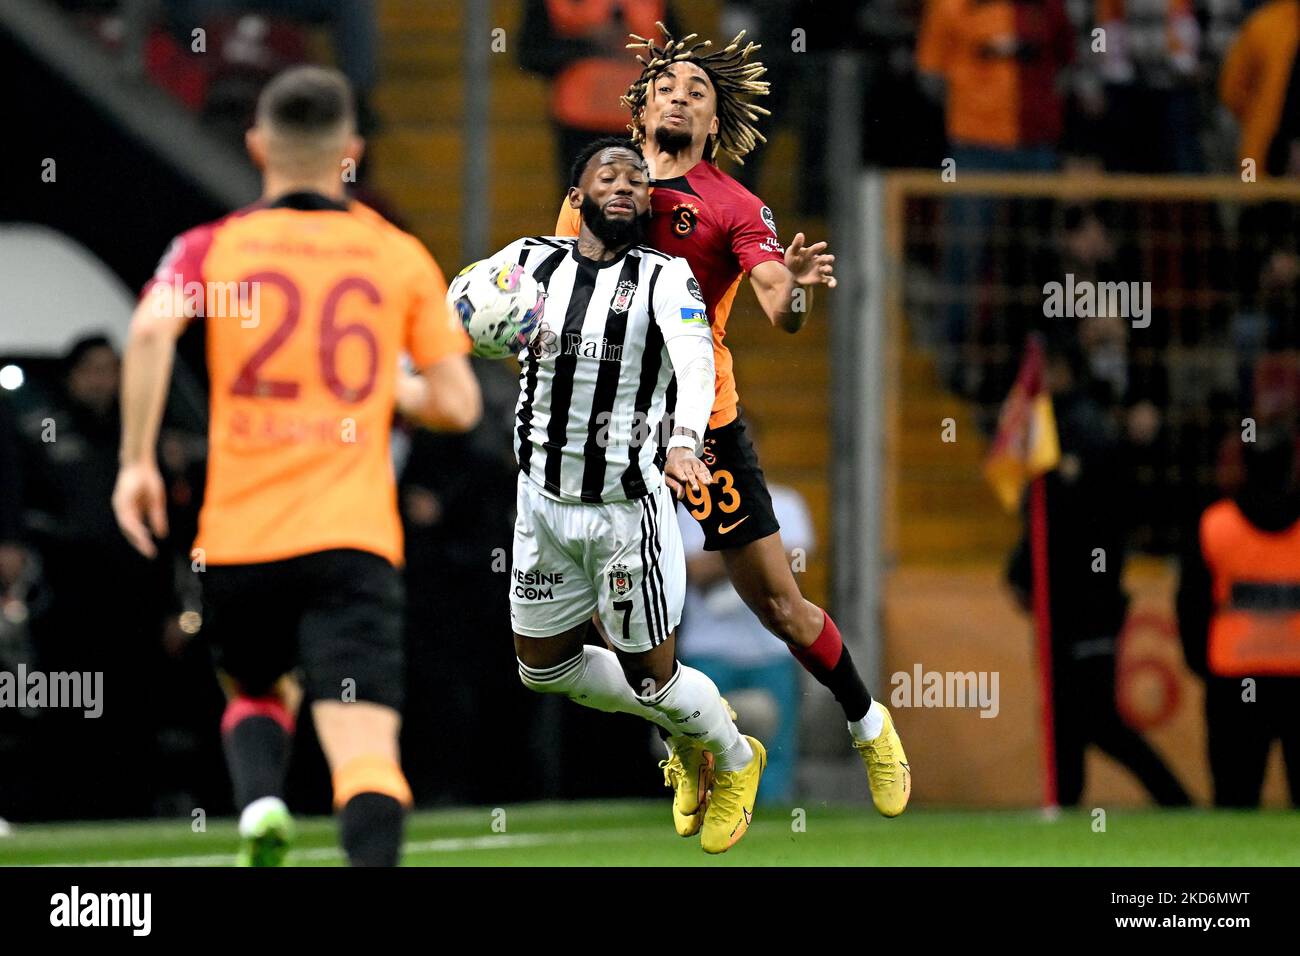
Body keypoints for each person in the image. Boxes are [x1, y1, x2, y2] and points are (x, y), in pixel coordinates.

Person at [112, 65, 481, 866]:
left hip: (240, 539)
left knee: (252, 686)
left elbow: (146, 334)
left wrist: (136, 462)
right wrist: (390, 385)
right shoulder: (398, 254)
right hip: (352, 540)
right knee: (365, 750)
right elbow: (459, 405)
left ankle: (262, 804)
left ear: (256, 147)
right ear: (350, 151)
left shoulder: (213, 245)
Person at [553, 24, 910, 819]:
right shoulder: (597, 187)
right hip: (616, 429)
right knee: (619, 620)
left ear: (714, 125)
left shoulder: (734, 205)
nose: (681, 96)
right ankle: (702, 753)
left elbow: (778, 301)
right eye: (669, 86)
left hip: (704, 425)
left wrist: (800, 287)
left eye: (699, 93)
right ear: (640, 105)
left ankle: (867, 721)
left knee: (779, 606)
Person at [503, 137, 764, 854]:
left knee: (653, 676)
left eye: (637, 179)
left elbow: (691, 361)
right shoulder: (528, 262)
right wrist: (473, 322)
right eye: (607, 173)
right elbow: (463, 300)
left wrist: (684, 440)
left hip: (624, 511)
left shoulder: (664, 279)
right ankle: (688, 730)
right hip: (540, 504)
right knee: (540, 669)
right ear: (577, 192)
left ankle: (735, 758)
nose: (624, 184)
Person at [1006, 336, 1190, 807]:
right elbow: (1041, 515)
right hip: (1066, 597)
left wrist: (1032, 570)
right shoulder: (1052, 428)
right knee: (1065, 711)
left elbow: (1084, 521)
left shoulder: (1085, 431)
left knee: (1095, 716)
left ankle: (1173, 799)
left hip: (1087, 600)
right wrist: (1028, 570)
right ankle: (1064, 804)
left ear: (1062, 369)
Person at [1177, 428, 1300, 806]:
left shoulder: (1215, 524)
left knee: (1234, 798)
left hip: (1235, 678)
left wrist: (1202, 664)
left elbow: (1190, 604)